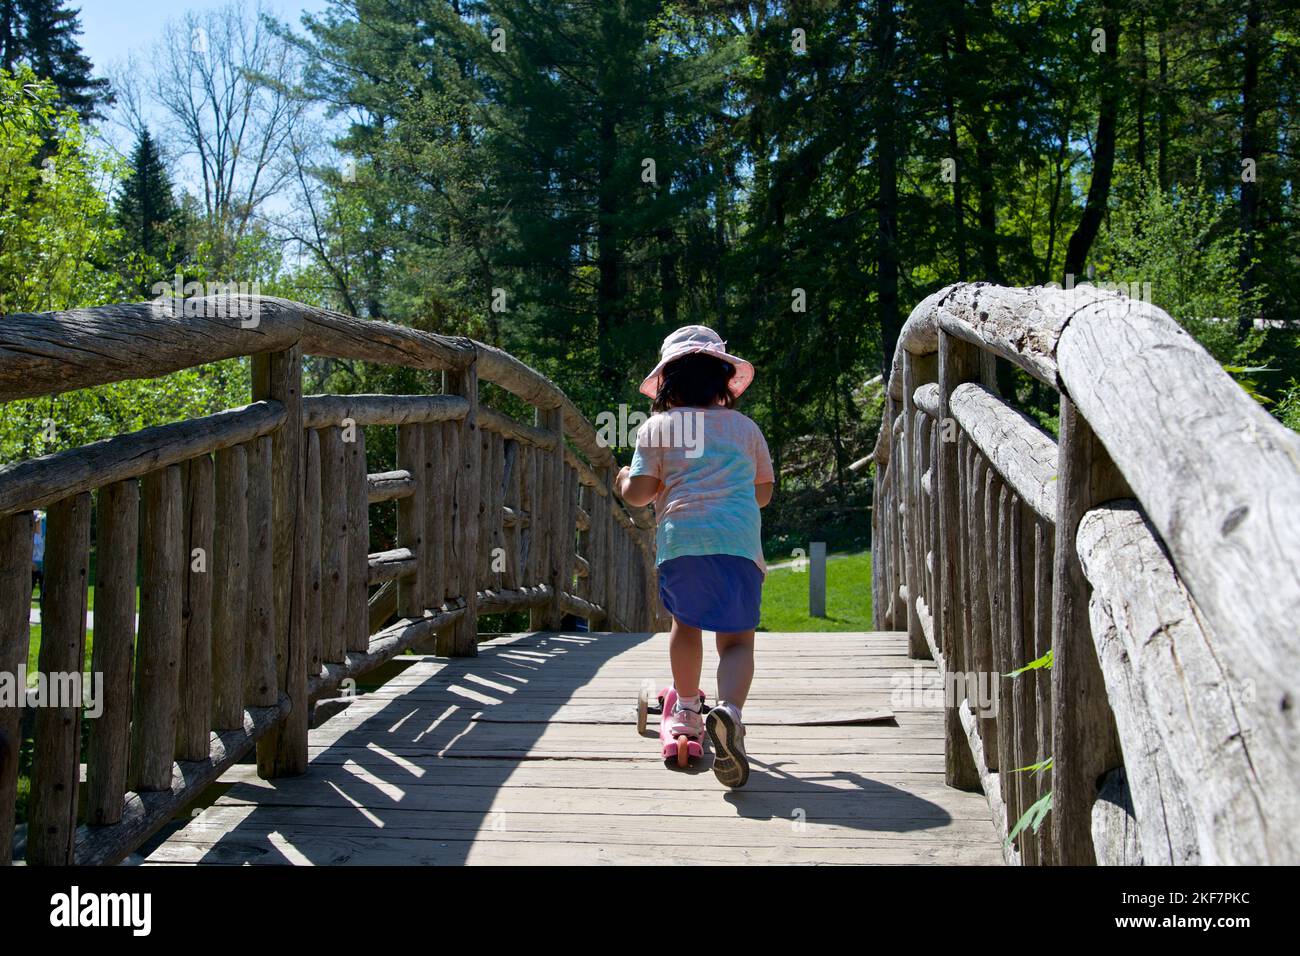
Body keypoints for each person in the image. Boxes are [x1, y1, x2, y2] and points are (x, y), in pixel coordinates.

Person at [615, 326, 774, 788]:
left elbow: (642, 495)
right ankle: (730, 713)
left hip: (683, 542)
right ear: (725, 380)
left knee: (685, 625)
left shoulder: (658, 428)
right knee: (737, 640)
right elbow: (762, 495)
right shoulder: (746, 429)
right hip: (739, 546)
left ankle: (686, 707)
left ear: (666, 382)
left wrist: (624, 480)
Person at [32, 509, 46, 597]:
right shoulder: (32, 536)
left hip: (42, 565)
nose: (38, 524)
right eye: (37, 522)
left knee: (44, 593)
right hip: (32, 566)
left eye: (39, 522)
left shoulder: (42, 535)